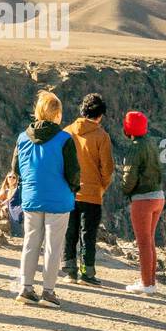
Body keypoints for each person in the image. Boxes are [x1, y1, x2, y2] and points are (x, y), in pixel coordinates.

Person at [11, 91, 80, 306]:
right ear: (57, 114)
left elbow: (15, 169)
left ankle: (26, 288)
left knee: (31, 242)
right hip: (58, 199)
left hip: (31, 197)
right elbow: (73, 172)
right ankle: (48, 292)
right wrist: (73, 188)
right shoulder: (64, 139)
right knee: (53, 246)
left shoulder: (23, 138)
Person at [62, 93, 115, 285]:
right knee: (88, 234)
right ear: (100, 115)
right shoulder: (102, 136)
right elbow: (107, 168)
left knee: (70, 232)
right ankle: (87, 273)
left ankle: (69, 271)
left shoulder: (67, 132)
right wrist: (102, 186)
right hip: (91, 194)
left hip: (68, 192)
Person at [120, 110, 165, 294]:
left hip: (143, 199)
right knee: (150, 240)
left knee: (143, 243)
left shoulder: (135, 147)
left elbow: (129, 176)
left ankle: (146, 285)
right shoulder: (152, 143)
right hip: (158, 197)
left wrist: (124, 189)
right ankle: (150, 281)